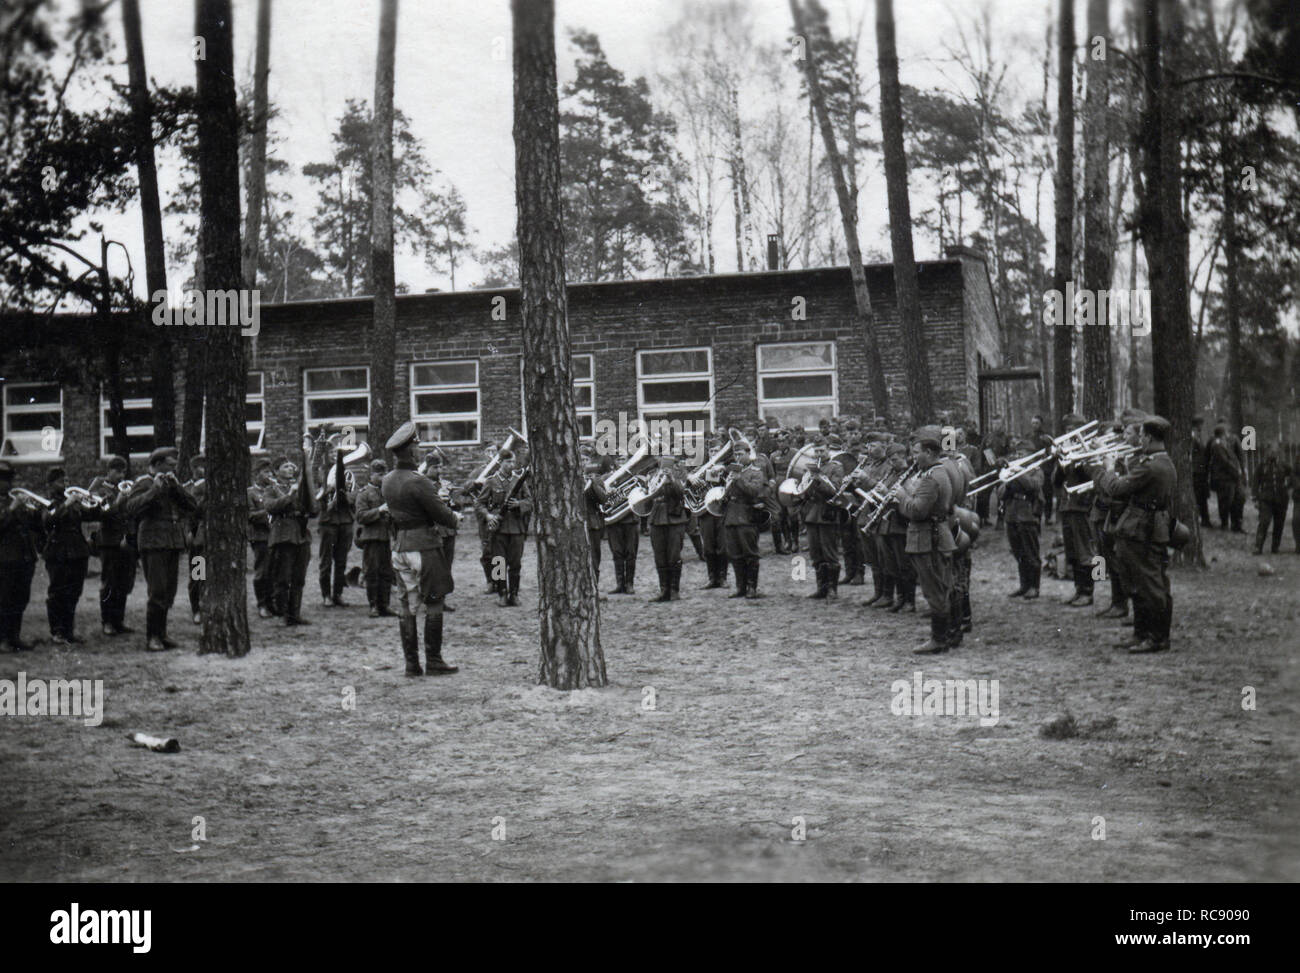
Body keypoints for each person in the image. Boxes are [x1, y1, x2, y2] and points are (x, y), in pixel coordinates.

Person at [1088, 415, 1177, 654]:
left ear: (1148, 437)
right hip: (1143, 527)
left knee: (1150, 584)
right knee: (1139, 582)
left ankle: (1157, 637)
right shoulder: (1159, 463)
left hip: (1142, 529)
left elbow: (1116, 489)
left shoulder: (1152, 466)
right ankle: (1142, 633)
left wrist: (1105, 467)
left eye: (1142, 437)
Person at [381, 421, 460, 676]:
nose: (418, 450)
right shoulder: (420, 481)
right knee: (435, 600)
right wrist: (455, 516)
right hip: (424, 545)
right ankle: (434, 661)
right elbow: (443, 516)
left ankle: (411, 664)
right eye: (416, 446)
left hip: (400, 545)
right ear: (411, 451)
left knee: (407, 605)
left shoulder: (387, 480)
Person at [126, 447, 198, 651]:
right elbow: (132, 508)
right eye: (170, 465)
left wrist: (177, 488)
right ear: (157, 464)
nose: (173, 469)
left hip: (172, 542)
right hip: (153, 542)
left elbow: (193, 506)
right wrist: (154, 490)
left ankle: (162, 633)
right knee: (157, 591)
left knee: (169, 592)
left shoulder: (172, 484)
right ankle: (152, 637)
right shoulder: (144, 483)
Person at [897, 426, 957, 654]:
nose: (913, 457)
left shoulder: (932, 477)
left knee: (934, 589)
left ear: (930, 453)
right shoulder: (937, 473)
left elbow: (918, 511)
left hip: (928, 538)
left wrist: (903, 497)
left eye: (916, 452)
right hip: (934, 536)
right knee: (941, 587)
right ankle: (947, 634)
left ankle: (939, 639)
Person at [41, 467, 100, 644]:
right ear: (51, 485)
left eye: (66, 481)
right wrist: (67, 504)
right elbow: (49, 522)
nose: (65, 485)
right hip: (58, 552)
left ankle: (68, 630)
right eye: (61, 482)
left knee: (74, 592)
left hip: (77, 552)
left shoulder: (73, 501)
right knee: (58, 592)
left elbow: (90, 515)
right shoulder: (48, 502)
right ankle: (57, 631)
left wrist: (94, 500)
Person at [266, 445, 318, 626]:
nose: (290, 469)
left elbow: (312, 508)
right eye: (285, 467)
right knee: (283, 578)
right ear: (276, 471)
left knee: (299, 578)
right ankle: (283, 614)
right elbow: (271, 507)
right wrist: (290, 495)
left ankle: (295, 614)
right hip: (283, 536)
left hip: (301, 534)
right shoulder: (272, 489)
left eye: (291, 466)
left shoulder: (299, 487)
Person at [476, 449, 532, 607]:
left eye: (513, 462)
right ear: (500, 463)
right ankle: (501, 593)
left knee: (515, 563)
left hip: (516, 528)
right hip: (498, 528)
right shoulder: (491, 481)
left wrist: (518, 504)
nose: (511, 465)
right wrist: (488, 516)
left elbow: (530, 502)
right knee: (498, 562)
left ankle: (514, 593)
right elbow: (479, 503)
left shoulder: (519, 480)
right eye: (508, 462)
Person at [89, 456, 137, 636]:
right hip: (108, 541)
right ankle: (107, 622)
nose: (121, 475)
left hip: (125, 541)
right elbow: (100, 514)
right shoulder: (99, 489)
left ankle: (119, 621)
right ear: (109, 471)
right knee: (109, 582)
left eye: (123, 471)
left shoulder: (123, 488)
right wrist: (118, 502)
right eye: (117, 471)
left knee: (124, 582)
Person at [1054, 414, 1096, 606]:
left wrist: (1078, 459)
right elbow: (1056, 481)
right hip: (1068, 505)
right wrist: (1062, 462)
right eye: (1067, 431)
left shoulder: (1090, 449)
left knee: (1085, 551)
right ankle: (1079, 589)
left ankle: (1088, 592)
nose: (1068, 435)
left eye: (1072, 431)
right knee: (1072, 551)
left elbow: (1093, 476)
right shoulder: (1067, 452)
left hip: (1082, 506)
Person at [0, 461, 40, 652]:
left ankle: (14, 637)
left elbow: (33, 527)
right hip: (4, 559)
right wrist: (12, 510)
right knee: (4, 599)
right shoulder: (9, 504)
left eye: (8, 479)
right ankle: (3, 639)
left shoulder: (13, 500)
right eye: (3, 480)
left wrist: (32, 510)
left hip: (24, 556)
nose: (7, 484)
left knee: (20, 599)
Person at [722, 441, 766, 599]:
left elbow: (754, 492)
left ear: (749, 454)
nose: (738, 457)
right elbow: (725, 495)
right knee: (734, 554)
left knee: (750, 553)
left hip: (747, 516)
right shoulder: (731, 473)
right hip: (731, 516)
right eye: (736, 454)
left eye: (741, 454)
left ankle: (752, 587)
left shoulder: (756, 472)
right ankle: (740, 587)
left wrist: (739, 479)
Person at [801, 439, 844, 600]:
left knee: (830, 552)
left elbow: (835, 490)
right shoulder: (811, 468)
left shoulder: (836, 467)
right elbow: (805, 491)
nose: (819, 454)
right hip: (812, 513)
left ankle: (833, 589)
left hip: (827, 513)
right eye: (816, 451)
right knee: (816, 553)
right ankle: (822, 588)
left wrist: (818, 479)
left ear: (828, 450)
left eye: (822, 451)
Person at [354, 458, 396, 617]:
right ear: (371, 475)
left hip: (385, 537)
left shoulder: (387, 492)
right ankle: (373, 606)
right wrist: (379, 510)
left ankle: (384, 605)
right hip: (371, 538)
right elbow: (360, 516)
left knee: (386, 572)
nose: (383, 477)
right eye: (379, 474)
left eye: (385, 473)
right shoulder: (364, 494)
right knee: (372, 572)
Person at [1001, 440, 1043, 599]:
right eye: (1017, 453)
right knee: (1018, 552)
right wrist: (1007, 482)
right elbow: (1000, 493)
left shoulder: (1036, 470)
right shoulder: (1012, 471)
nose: (1018, 456)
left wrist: (1018, 472)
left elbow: (1033, 486)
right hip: (1011, 513)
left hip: (1027, 514)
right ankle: (1024, 585)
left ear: (1031, 456)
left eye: (1022, 454)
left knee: (1031, 552)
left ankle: (1034, 586)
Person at [647, 454, 688, 602]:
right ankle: (664, 590)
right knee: (660, 556)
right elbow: (649, 495)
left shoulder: (680, 474)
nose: (661, 461)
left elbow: (681, 493)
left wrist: (671, 480)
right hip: (657, 517)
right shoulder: (652, 475)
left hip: (674, 518)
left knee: (674, 556)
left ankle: (674, 590)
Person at [317, 442, 354, 607]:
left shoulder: (348, 474)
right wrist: (329, 489)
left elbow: (354, 499)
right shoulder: (321, 473)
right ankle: (326, 595)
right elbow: (316, 497)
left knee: (341, 560)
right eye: (331, 452)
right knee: (326, 560)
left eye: (336, 452)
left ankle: (338, 593)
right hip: (328, 521)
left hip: (345, 520)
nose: (333, 455)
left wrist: (344, 492)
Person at [605, 449, 641, 595]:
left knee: (630, 552)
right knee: (617, 552)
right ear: (614, 462)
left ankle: (630, 583)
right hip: (614, 520)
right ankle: (620, 584)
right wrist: (606, 492)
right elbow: (601, 498)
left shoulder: (635, 478)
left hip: (630, 520)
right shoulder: (606, 479)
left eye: (624, 459)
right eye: (619, 460)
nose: (621, 462)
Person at [248, 459, 275, 618]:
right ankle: (262, 604)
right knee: (262, 571)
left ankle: (271, 602)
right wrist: (268, 510)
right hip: (260, 536)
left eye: (270, 472)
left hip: (274, 535)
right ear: (256, 474)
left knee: (273, 570)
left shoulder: (272, 491)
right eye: (265, 472)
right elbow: (249, 516)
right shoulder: (251, 493)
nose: (269, 475)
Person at [1252, 446, 1292, 556]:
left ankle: (1275, 547)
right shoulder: (1262, 466)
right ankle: (1258, 546)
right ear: (1267, 453)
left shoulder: (1284, 465)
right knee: (1264, 521)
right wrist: (1255, 498)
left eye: (1275, 451)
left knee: (1279, 524)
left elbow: (1293, 475)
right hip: (1266, 499)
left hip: (1281, 499)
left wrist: (1288, 487)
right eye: (1270, 451)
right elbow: (1255, 482)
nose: (1272, 453)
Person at [1207, 423, 1245, 532]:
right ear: (1222, 434)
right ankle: (1225, 523)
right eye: (1226, 432)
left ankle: (1236, 524)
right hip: (1224, 478)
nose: (1228, 434)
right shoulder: (1217, 445)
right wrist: (1237, 472)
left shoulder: (1225, 443)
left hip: (1232, 477)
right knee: (1226, 501)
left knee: (1239, 499)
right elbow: (1225, 462)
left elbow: (1233, 458)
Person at [184, 453, 206, 624]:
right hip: (198, 537)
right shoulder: (188, 488)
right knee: (198, 574)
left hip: (212, 535)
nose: (203, 470)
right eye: (200, 467)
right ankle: (196, 609)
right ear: (194, 470)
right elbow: (190, 511)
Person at [582, 453, 608, 595]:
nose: (583, 463)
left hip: (593, 523)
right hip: (578, 523)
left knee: (594, 557)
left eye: (586, 460)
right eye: (581, 460)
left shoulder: (597, 480)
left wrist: (592, 484)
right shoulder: (572, 479)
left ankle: (594, 590)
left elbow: (604, 499)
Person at [1029, 415, 1056, 524]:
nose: (1034, 425)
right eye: (1033, 423)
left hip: (1045, 469)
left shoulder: (1047, 437)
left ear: (1041, 424)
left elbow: (1051, 452)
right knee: (1035, 494)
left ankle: (1048, 517)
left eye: (1037, 423)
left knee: (1047, 494)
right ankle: (1036, 517)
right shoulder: (1029, 437)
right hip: (1033, 469)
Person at [1190, 415, 1212, 526]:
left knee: (1202, 496)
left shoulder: (1198, 436)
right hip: (1196, 471)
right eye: (1200, 425)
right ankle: (1203, 518)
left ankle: (1205, 519)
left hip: (1201, 471)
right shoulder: (1192, 437)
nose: (1201, 427)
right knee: (1199, 496)